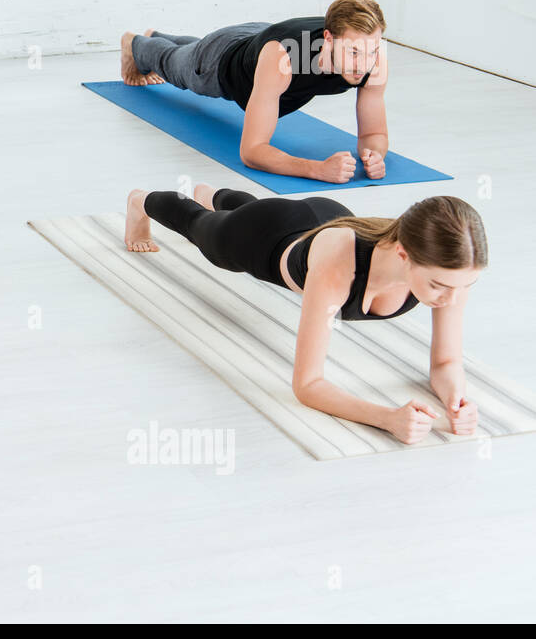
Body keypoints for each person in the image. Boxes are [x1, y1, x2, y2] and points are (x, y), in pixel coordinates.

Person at [123, 185, 486, 445]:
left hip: (327, 216)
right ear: (405, 254)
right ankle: (141, 202)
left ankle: (219, 194)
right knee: (203, 230)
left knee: (253, 209)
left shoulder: (450, 273)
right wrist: (387, 418)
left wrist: (456, 400)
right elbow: (308, 385)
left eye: (462, 286)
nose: (452, 298)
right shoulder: (338, 263)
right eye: (440, 285)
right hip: (264, 237)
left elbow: (446, 362)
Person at [119, 0, 390, 183]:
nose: (364, 64)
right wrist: (316, 169)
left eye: (372, 51)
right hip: (222, 59)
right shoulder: (284, 59)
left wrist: (374, 155)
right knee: (179, 69)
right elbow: (252, 151)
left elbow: (374, 133)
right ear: (329, 39)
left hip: (260, 40)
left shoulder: (372, 59)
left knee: (190, 54)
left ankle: (160, 36)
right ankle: (136, 44)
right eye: (354, 52)